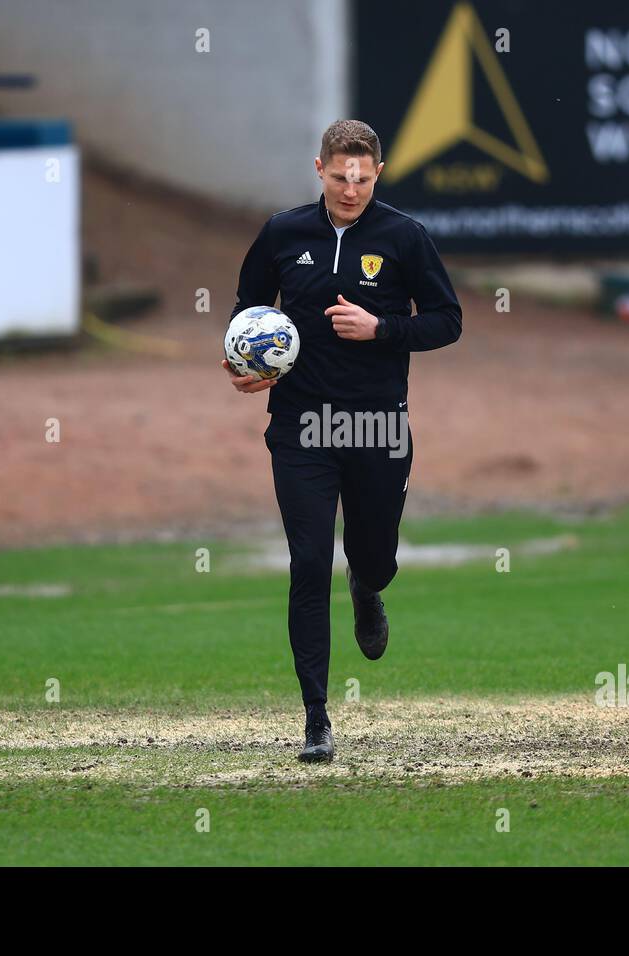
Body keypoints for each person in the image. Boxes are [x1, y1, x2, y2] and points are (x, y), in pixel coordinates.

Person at [223, 119, 462, 762]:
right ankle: (316, 719)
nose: (350, 189)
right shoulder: (282, 232)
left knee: (374, 555)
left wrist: (381, 327)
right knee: (307, 561)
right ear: (320, 170)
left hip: (377, 426)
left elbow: (448, 321)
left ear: (377, 173)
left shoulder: (405, 237)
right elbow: (248, 310)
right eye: (338, 176)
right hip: (301, 428)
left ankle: (368, 584)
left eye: (361, 177)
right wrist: (247, 365)